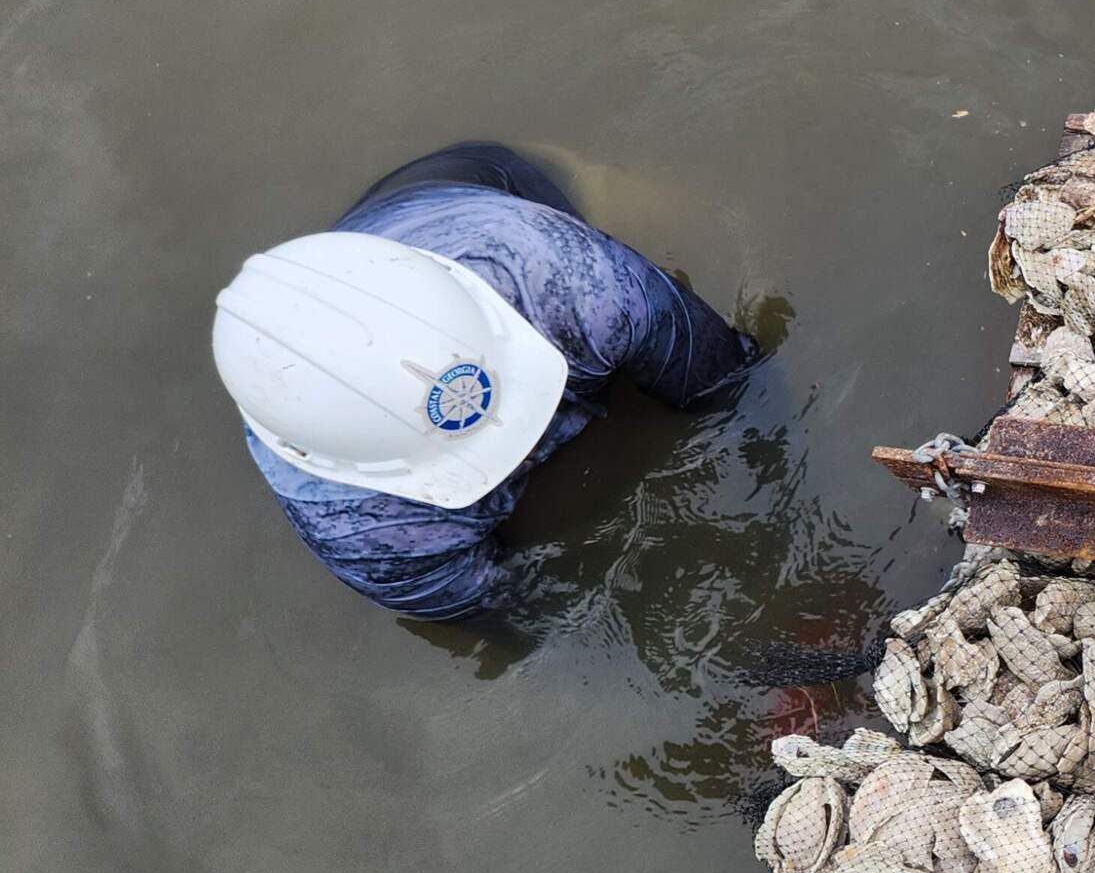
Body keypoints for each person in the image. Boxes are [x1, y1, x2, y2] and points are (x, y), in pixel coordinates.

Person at [211, 143, 763, 623]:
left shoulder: (572, 278)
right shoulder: (360, 529)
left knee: (646, 203)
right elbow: (516, 615)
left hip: (453, 194)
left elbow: (722, 379)